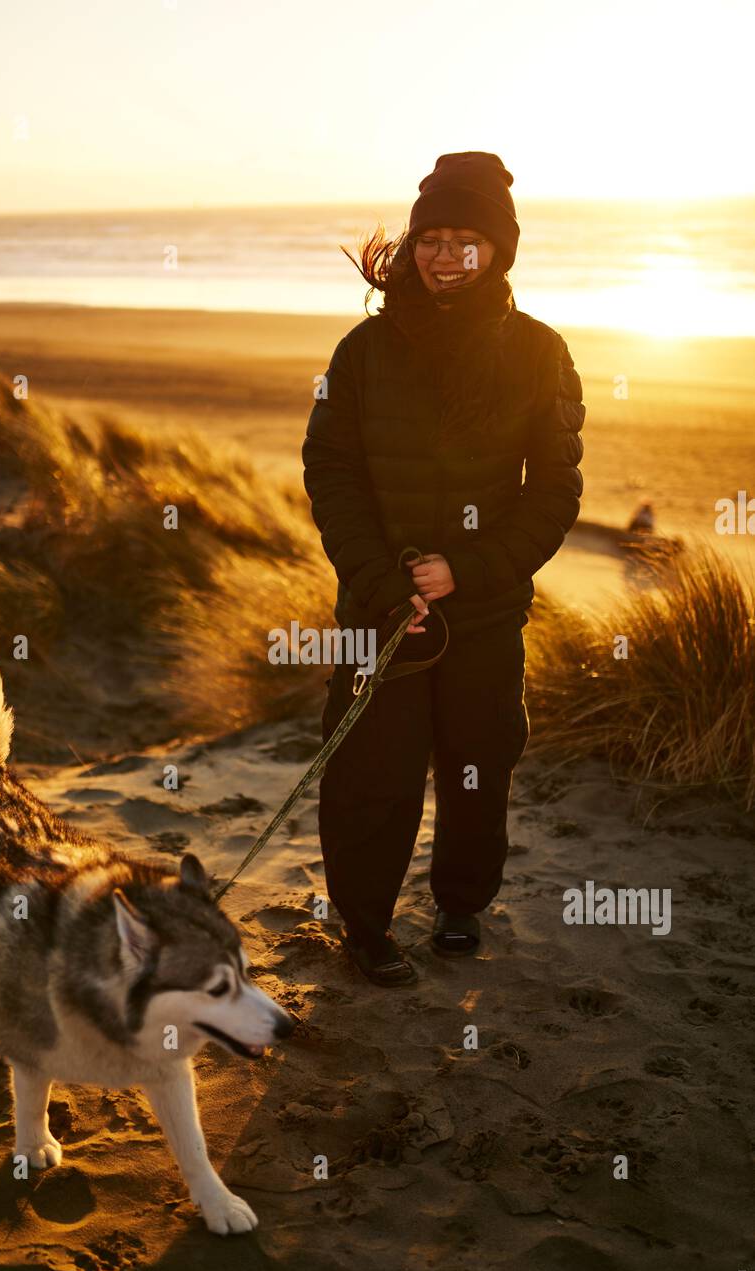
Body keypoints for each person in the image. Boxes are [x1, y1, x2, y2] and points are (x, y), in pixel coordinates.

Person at [302, 151, 586, 986]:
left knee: (479, 760)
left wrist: (466, 569)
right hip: (379, 608)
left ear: (498, 251)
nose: (446, 255)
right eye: (432, 237)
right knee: (369, 774)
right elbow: (331, 473)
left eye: (468, 239)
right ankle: (365, 927)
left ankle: (461, 906)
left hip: (486, 609)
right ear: (412, 244)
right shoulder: (360, 351)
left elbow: (556, 490)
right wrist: (389, 587)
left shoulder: (539, 352)